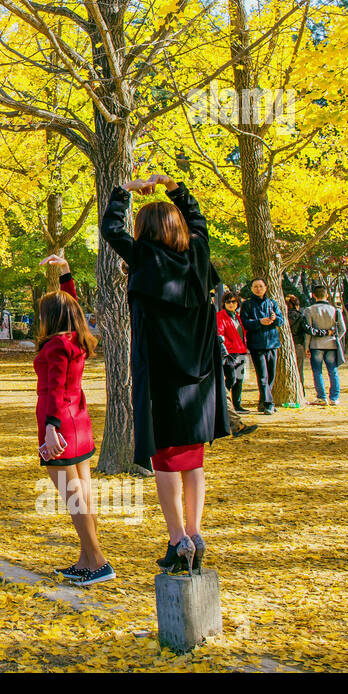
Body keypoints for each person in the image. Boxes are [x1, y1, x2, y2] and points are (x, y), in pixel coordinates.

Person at [101, 173, 227, 575]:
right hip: (200, 379)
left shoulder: (143, 257)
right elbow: (200, 223)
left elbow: (110, 228)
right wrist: (175, 189)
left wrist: (126, 191)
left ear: (146, 232)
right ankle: (195, 531)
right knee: (193, 461)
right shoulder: (199, 256)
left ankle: (178, 539)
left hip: (161, 378)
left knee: (166, 462)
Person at [35, 254, 112, 585]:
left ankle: (97, 560)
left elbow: (53, 389)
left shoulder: (55, 346)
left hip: (60, 424)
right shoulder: (75, 340)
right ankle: (86, 557)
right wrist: (66, 275)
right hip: (78, 420)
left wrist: (50, 428)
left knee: (73, 497)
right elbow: (74, 308)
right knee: (83, 493)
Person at [240, 277, 282, 414]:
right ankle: (269, 403)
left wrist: (274, 320)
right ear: (252, 289)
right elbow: (245, 323)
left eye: (260, 286)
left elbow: (281, 320)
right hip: (257, 345)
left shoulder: (272, 303)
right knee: (262, 375)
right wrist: (259, 322)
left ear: (265, 288)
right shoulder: (247, 304)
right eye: (255, 287)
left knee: (271, 375)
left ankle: (263, 402)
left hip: (272, 343)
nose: (258, 289)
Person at [303, 285, 346, 405]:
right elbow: (342, 329)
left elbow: (308, 331)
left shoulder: (309, 310)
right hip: (331, 343)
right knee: (333, 371)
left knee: (317, 371)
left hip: (316, 344)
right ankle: (334, 397)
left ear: (313, 295)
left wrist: (307, 346)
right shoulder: (335, 310)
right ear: (327, 295)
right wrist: (336, 338)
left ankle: (322, 397)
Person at [216, 292, 249, 412]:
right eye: (228, 302)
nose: (231, 304)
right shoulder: (220, 316)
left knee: (239, 380)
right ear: (224, 303)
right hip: (230, 353)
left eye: (234, 301)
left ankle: (237, 405)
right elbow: (220, 333)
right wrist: (228, 347)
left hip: (241, 352)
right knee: (231, 379)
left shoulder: (238, 317)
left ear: (237, 303)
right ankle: (224, 403)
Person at [285, 294, 307, 400]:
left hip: (285, 346)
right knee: (299, 370)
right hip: (298, 344)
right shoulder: (300, 316)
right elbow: (305, 330)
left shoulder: (282, 317)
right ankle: (301, 392)